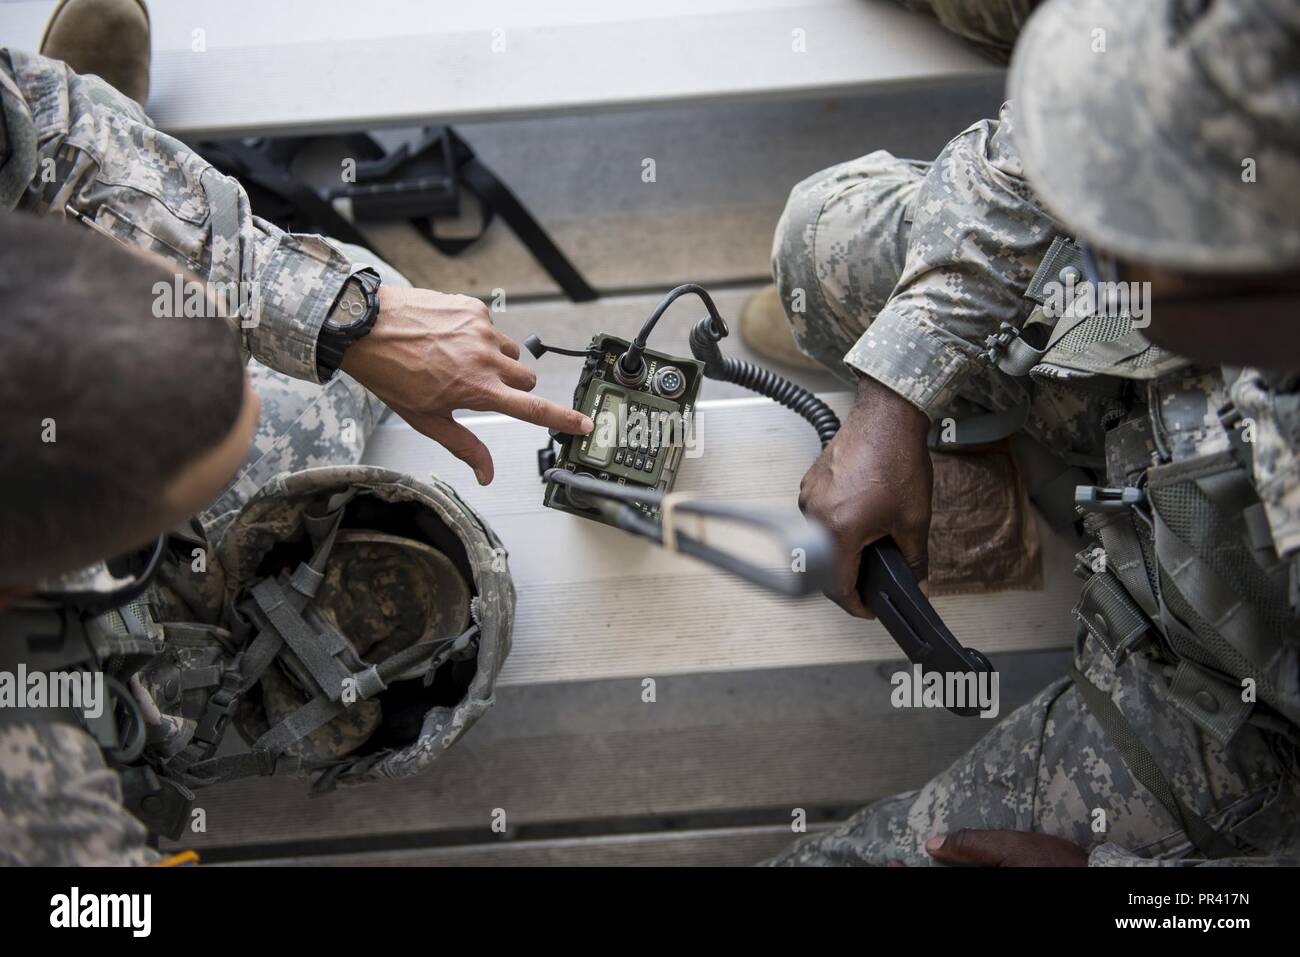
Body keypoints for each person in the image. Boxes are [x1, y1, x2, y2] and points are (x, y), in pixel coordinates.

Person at [768, 0, 1300, 865]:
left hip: (1228, 714)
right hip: (1166, 399)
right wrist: (893, 393)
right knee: (818, 249)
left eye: (1120, 245)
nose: (1093, 258)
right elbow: (1046, 150)